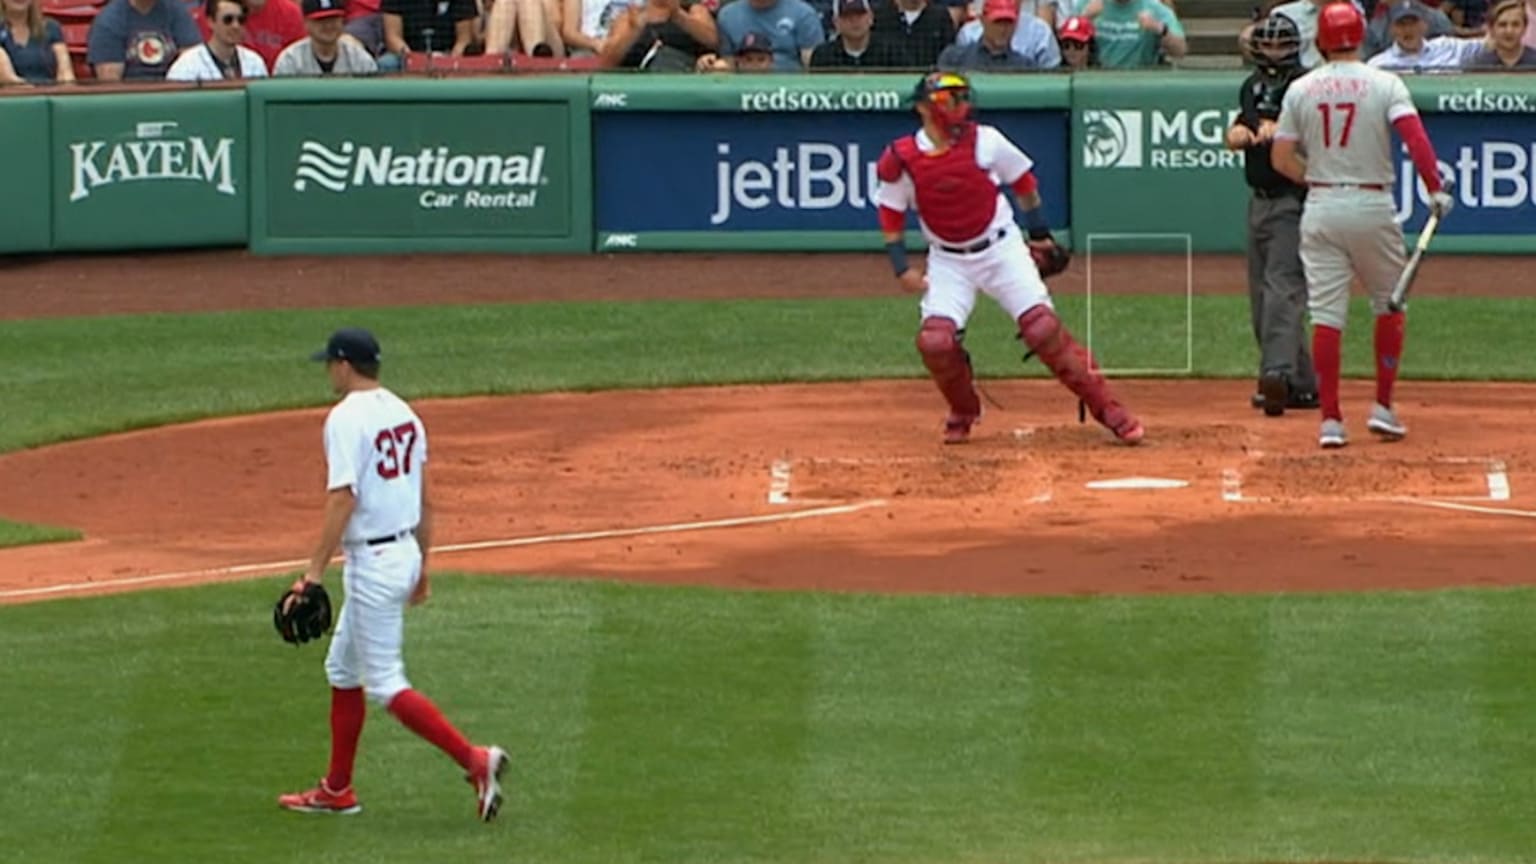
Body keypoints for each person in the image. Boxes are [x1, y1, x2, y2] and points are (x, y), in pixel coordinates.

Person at [278, 327, 509, 820]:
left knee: (385, 682)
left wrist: (312, 574)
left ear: (344, 365)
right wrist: (422, 566)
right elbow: (426, 499)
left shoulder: (344, 420)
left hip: (374, 565)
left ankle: (475, 761)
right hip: (402, 552)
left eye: (330, 364)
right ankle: (337, 789)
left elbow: (343, 497)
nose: (327, 372)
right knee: (342, 669)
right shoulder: (405, 413)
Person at [873, 71, 1145, 446]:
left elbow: (1024, 184)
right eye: (948, 99)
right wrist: (901, 266)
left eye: (960, 97)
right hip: (949, 261)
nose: (958, 106)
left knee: (1043, 329)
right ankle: (963, 409)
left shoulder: (986, 141)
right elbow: (890, 211)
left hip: (1001, 249)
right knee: (936, 342)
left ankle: (1110, 409)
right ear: (923, 107)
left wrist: (1039, 233)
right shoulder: (903, 157)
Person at [1271, 1, 1452, 449]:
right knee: (1389, 306)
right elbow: (1415, 138)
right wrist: (1435, 188)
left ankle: (1331, 420)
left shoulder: (1300, 88)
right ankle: (1383, 408)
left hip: (1321, 203)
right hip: (1372, 204)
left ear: (1321, 40)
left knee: (1327, 315)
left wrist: (1315, 176)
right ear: (1360, 36)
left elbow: (1280, 158)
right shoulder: (1385, 82)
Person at [1225, 11, 1318, 417]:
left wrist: (1276, 129)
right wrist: (1239, 133)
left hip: (1293, 198)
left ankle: (1276, 374)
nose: (1274, 51)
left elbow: (1309, 138)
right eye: (1268, 43)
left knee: (1282, 287)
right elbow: (1238, 127)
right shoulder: (1251, 85)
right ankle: (1301, 383)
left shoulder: (1305, 86)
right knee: (1261, 294)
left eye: (1282, 44)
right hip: (1258, 197)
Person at [85, 0, 203, 80]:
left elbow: (193, 65)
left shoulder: (177, 12)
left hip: (174, 94)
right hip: (131, 99)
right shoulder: (109, 20)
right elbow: (110, 83)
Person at [166, 0, 270, 79]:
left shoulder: (254, 61)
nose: (235, 26)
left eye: (240, 20)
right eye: (228, 20)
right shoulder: (188, 64)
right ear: (211, 22)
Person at [273, 0, 379, 74]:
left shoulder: (359, 58)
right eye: (320, 20)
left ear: (342, 20)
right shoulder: (291, 60)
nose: (328, 25)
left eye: (333, 18)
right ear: (306, 23)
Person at [1366, 0, 1482, 67]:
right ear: (1392, 29)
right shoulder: (1378, 65)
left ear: (1425, 25)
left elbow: (1488, 44)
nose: (1408, 30)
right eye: (1401, 24)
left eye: (1413, 23)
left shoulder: (1448, 47)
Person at [808, 0, 904, 67]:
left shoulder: (891, 51)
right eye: (847, 16)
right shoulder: (823, 56)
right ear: (836, 22)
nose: (854, 21)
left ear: (870, 17)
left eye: (860, 14)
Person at [1, 0, 75, 84]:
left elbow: (66, 73)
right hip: (13, 94)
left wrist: (65, 89)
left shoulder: (51, 27)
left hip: (50, 92)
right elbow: (8, 80)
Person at [1465, 0, 1536, 64]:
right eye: (1502, 25)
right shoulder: (1477, 65)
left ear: (1525, 28)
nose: (1509, 31)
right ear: (1491, 29)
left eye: (1515, 25)